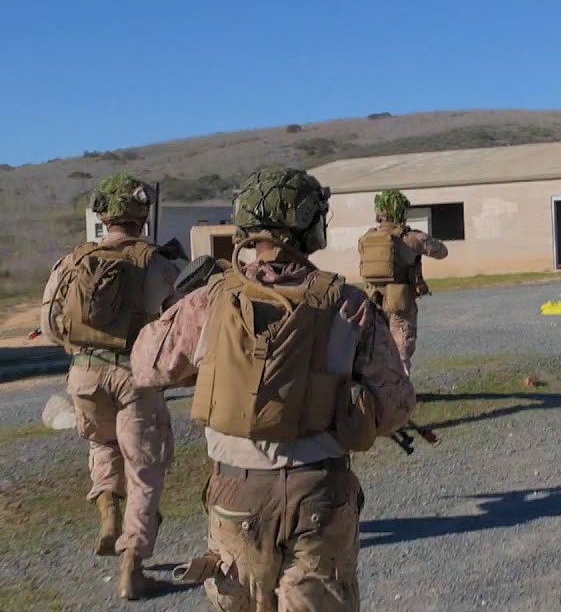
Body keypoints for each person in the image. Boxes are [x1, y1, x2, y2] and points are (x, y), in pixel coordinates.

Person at [130, 165, 416, 610]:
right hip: (320, 493)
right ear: (309, 225)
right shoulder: (350, 305)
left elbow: (147, 366)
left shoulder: (210, 299)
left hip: (234, 496)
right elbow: (397, 406)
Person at [39, 173, 180, 600]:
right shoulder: (158, 264)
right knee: (145, 468)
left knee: (102, 443)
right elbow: (175, 326)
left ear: (103, 215)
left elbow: (48, 327)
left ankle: (107, 514)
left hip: (84, 375)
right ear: (141, 216)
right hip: (136, 377)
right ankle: (132, 566)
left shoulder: (71, 262)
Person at [357, 189, 448, 373]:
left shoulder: (366, 238)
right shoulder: (409, 238)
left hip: (373, 301)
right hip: (400, 302)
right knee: (402, 351)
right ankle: (401, 396)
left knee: (376, 350)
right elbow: (442, 251)